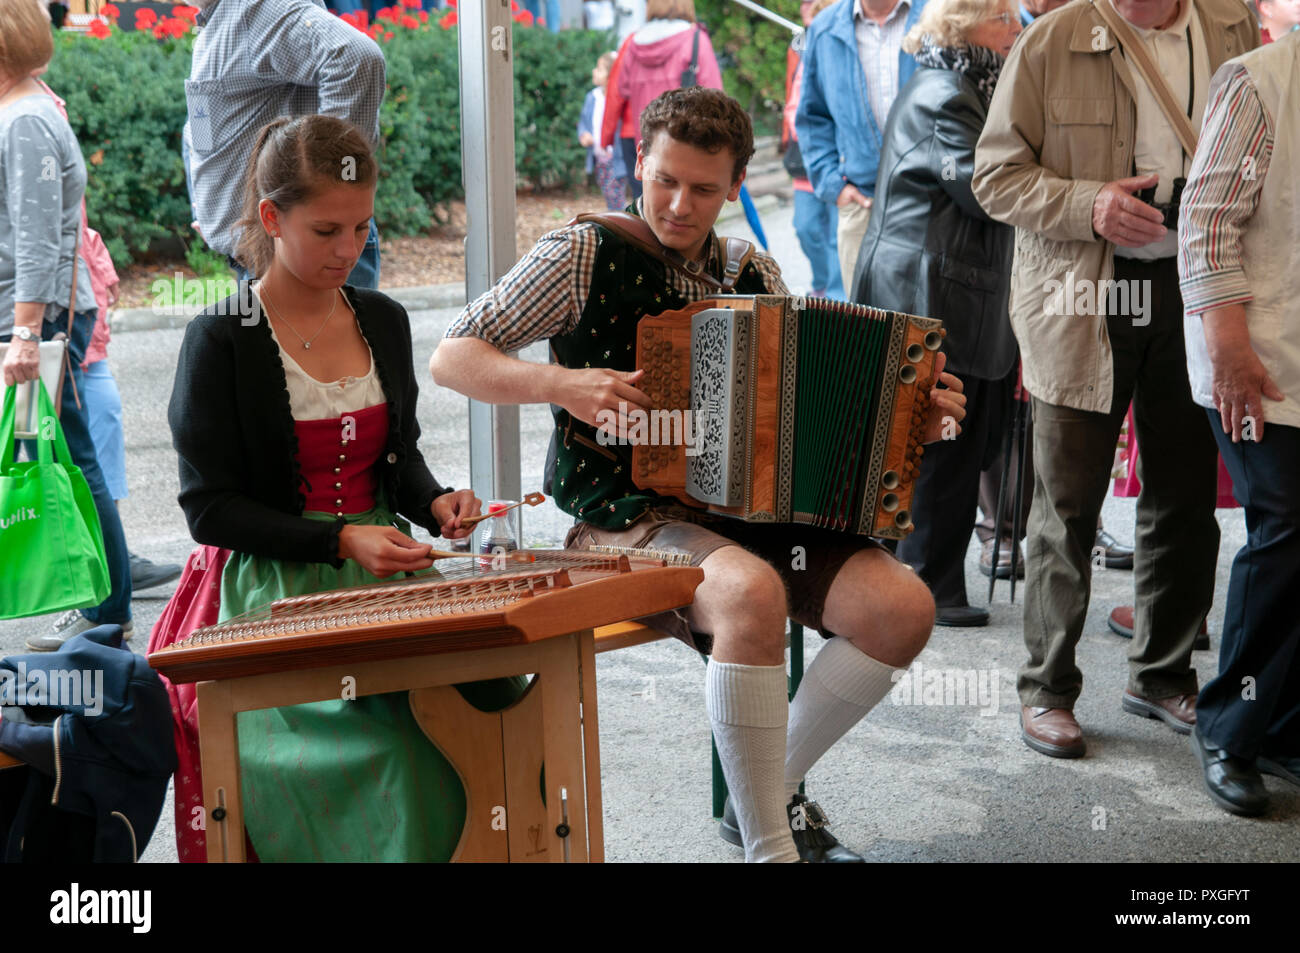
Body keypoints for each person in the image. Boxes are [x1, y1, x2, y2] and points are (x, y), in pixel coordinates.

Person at [431, 87, 966, 863]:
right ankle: (770, 847)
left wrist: (913, 411)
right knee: (750, 594)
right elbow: (454, 353)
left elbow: (805, 407)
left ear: (736, 185)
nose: (679, 204)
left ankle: (765, 793)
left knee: (903, 607)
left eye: (704, 189)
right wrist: (563, 384)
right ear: (636, 164)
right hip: (619, 512)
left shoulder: (754, 269)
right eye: (662, 179)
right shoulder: (582, 252)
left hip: (750, 516)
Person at [147, 115, 499, 861]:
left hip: (385, 574)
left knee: (495, 704)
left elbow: (397, 462)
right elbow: (207, 509)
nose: (349, 250)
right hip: (268, 598)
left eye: (362, 228)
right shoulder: (223, 335)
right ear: (271, 218)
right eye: (327, 230)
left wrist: (436, 501)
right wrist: (337, 537)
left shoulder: (382, 318)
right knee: (403, 763)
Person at [973, 0, 1259, 759]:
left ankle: (1162, 675)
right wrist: (1086, 203)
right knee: (1065, 502)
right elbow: (995, 176)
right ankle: (1047, 689)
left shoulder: (1231, 26)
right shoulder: (1052, 38)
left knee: (1185, 494)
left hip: (1198, 292)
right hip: (1080, 291)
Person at [851, 0, 1021, 627]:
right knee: (942, 439)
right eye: (1002, 16)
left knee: (949, 438)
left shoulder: (963, 85)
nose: (1015, 27)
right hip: (927, 294)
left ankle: (923, 577)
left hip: (941, 289)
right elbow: (985, 188)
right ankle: (928, 585)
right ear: (964, 23)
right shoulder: (948, 91)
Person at [1178, 30, 1300, 815]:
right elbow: (1206, 220)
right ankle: (1231, 723)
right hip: (1262, 357)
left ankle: (1284, 722)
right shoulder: (1261, 80)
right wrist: (1227, 350)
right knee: (1287, 526)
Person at [0, 0, 133, 648]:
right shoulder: (26, 107)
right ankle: (99, 604)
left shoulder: (24, 119)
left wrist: (24, 334)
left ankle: (105, 609)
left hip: (38, 324)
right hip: (37, 320)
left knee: (66, 458)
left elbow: (34, 236)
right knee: (58, 456)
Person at [32, 75, 185, 599]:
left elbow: (41, 230)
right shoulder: (37, 103)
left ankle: (105, 577)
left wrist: (28, 329)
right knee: (81, 428)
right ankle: (107, 567)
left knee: (78, 435)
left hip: (51, 298)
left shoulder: (30, 110)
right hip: (62, 291)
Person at [184, 0, 386, 287]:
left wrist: (341, 183)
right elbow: (202, 128)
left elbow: (357, 57)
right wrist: (208, 211)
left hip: (304, 257)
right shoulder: (220, 15)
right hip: (267, 255)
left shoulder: (259, 6)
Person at [796, 0, 928, 297]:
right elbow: (812, 117)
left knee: (936, 324)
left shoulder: (935, 13)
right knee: (867, 326)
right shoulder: (824, 29)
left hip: (931, 201)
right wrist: (834, 185)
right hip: (861, 202)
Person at [600, 0, 723, 202]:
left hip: (647, 148)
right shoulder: (695, 40)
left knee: (647, 208)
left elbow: (619, 89)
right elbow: (716, 98)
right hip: (686, 148)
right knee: (680, 210)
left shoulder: (633, 43)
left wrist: (605, 137)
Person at [784, 0, 843, 300]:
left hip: (840, 163)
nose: (806, 8)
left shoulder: (842, 53)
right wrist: (799, 133)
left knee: (836, 235)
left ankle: (835, 298)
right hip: (807, 162)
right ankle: (822, 280)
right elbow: (795, 104)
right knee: (805, 228)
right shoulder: (804, 54)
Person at [579, 52, 629, 211]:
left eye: (599, 69)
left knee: (614, 193)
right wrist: (583, 134)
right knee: (609, 193)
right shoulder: (591, 97)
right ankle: (622, 220)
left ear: (611, 74)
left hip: (615, 157)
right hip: (599, 157)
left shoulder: (618, 98)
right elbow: (584, 121)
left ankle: (620, 225)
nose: (594, 71)